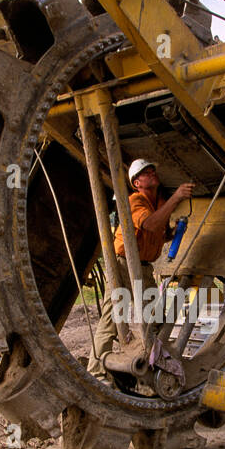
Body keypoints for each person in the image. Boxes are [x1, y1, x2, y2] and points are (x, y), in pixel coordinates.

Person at [87, 159, 194, 380]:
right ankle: (96, 372)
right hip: (125, 264)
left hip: (143, 267)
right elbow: (150, 225)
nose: (152, 173)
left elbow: (156, 233)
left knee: (154, 314)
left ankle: (151, 362)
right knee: (113, 316)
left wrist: (170, 235)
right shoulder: (135, 200)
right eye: (146, 172)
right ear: (137, 183)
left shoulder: (157, 202)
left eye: (152, 170)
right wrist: (177, 197)